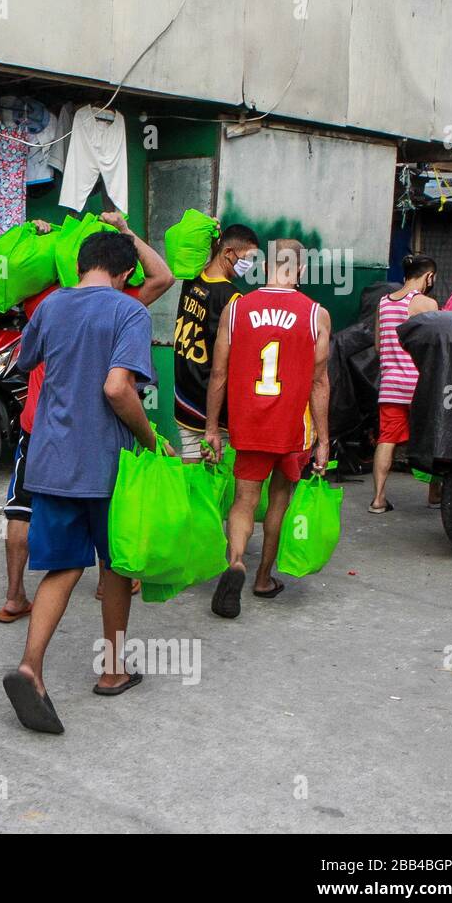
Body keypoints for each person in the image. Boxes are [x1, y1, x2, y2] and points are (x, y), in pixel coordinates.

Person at [2, 230, 167, 734]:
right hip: (105, 464)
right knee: (114, 566)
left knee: (62, 569)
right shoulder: (129, 311)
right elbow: (118, 388)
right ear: (122, 273)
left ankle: (31, 667)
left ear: (80, 265)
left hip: (51, 461)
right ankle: (113, 670)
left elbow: (22, 363)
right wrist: (149, 437)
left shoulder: (50, 306)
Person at [205, 239, 331, 618]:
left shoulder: (237, 308)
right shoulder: (316, 314)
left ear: (266, 267)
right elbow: (319, 383)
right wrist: (324, 440)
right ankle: (262, 578)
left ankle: (237, 561)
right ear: (301, 270)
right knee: (279, 500)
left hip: (249, 424)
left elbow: (219, 373)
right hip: (292, 428)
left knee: (244, 501)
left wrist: (212, 426)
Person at [172, 223, 261, 462]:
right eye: (248, 258)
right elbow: (225, 366)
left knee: (193, 478)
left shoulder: (192, 278)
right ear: (229, 252)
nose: (250, 265)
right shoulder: (232, 298)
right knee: (215, 484)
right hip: (209, 405)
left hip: (183, 395)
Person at [370, 254, 439, 513]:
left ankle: (378, 499)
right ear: (428, 277)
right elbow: (436, 345)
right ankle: (435, 494)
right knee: (435, 437)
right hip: (420, 385)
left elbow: (378, 346)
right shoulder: (425, 303)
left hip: (390, 384)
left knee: (386, 438)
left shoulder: (383, 303)